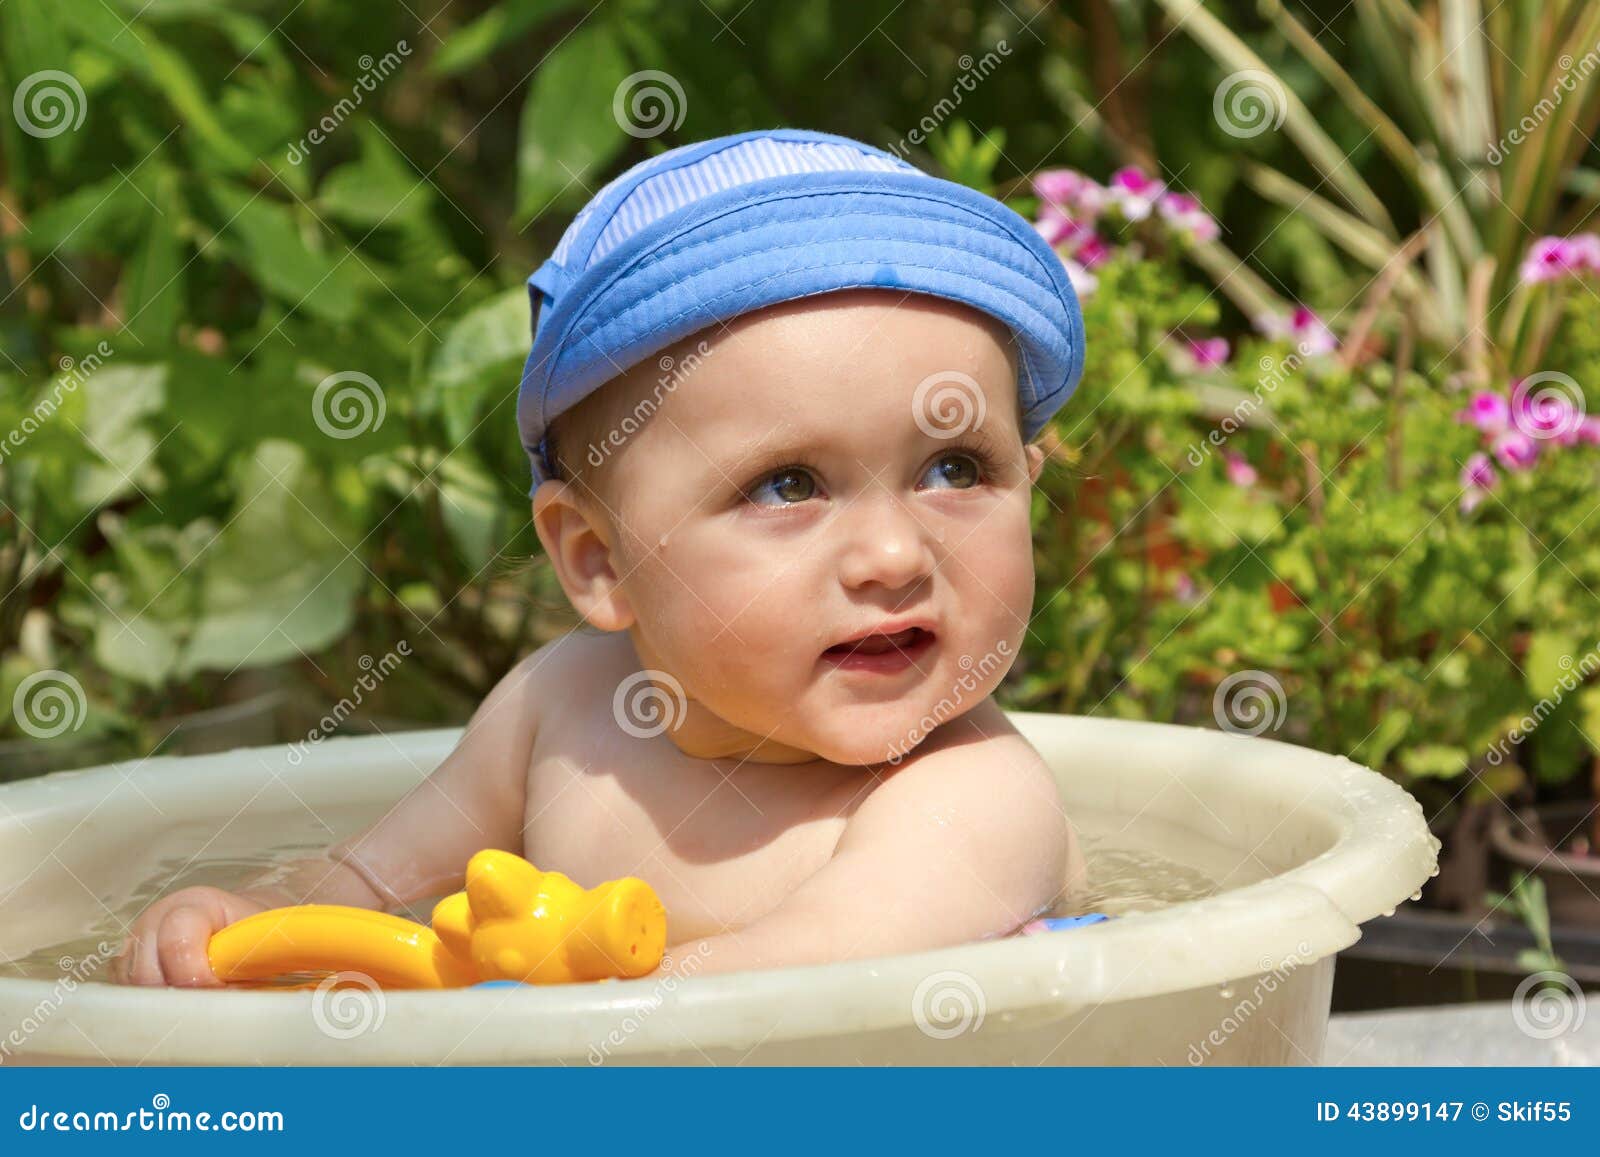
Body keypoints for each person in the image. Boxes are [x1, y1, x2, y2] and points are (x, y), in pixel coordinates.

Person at [113, 127, 1090, 987]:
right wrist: (251, 918)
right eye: (789, 484)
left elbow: (804, 984)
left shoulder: (974, 795)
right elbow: (371, 884)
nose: (890, 552)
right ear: (597, 561)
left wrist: (535, 1008)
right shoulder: (563, 711)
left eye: (954, 467)